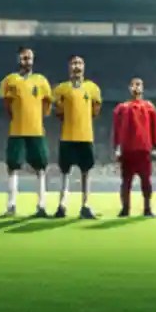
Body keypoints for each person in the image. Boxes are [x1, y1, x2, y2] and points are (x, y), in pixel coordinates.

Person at [2, 46, 53, 217]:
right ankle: (11, 205)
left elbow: (47, 105)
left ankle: (41, 205)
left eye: (29, 58)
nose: (27, 61)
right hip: (16, 130)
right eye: (24, 58)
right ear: (19, 60)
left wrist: (36, 119)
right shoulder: (11, 80)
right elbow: (7, 105)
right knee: (13, 167)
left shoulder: (41, 81)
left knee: (41, 167)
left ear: (33, 60)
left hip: (36, 131)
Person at [51, 55, 102, 219]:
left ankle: (85, 205)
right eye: (74, 63)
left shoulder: (92, 88)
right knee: (65, 172)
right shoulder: (61, 89)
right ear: (69, 67)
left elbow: (95, 109)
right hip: (67, 136)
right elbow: (57, 111)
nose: (76, 66)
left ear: (84, 67)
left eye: (79, 63)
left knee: (86, 172)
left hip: (86, 136)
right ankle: (62, 205)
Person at [113, 77, 156, 217]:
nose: (136, 87)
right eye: (133, 85)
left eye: (138, 84)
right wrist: (116, 147)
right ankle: (125, 208)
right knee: (126, 182)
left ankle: (147, 208)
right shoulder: (122, 108)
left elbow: (155, 128)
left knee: (146, 181)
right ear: (129, 88)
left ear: (142, 88)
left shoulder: (149, 107)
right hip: (127, 150)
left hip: (144, 150)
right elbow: (117, 129)